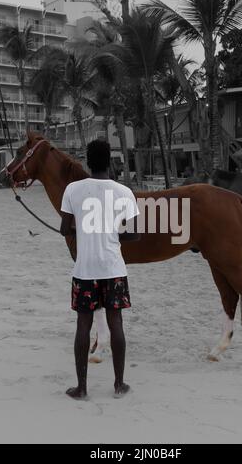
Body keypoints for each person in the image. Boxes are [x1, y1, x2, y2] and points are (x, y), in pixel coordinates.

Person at [60, 140, 140, 401]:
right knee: (116, 323)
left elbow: (64, 229)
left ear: (86, 161)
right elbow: (135, 234)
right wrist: (113, 234)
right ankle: (119, 384)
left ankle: (81, 388)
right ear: (110, 162)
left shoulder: (73, 189)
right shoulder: (124, 192)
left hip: (85, 270)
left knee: (83, 324)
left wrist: (81, 231)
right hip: (113, 267)